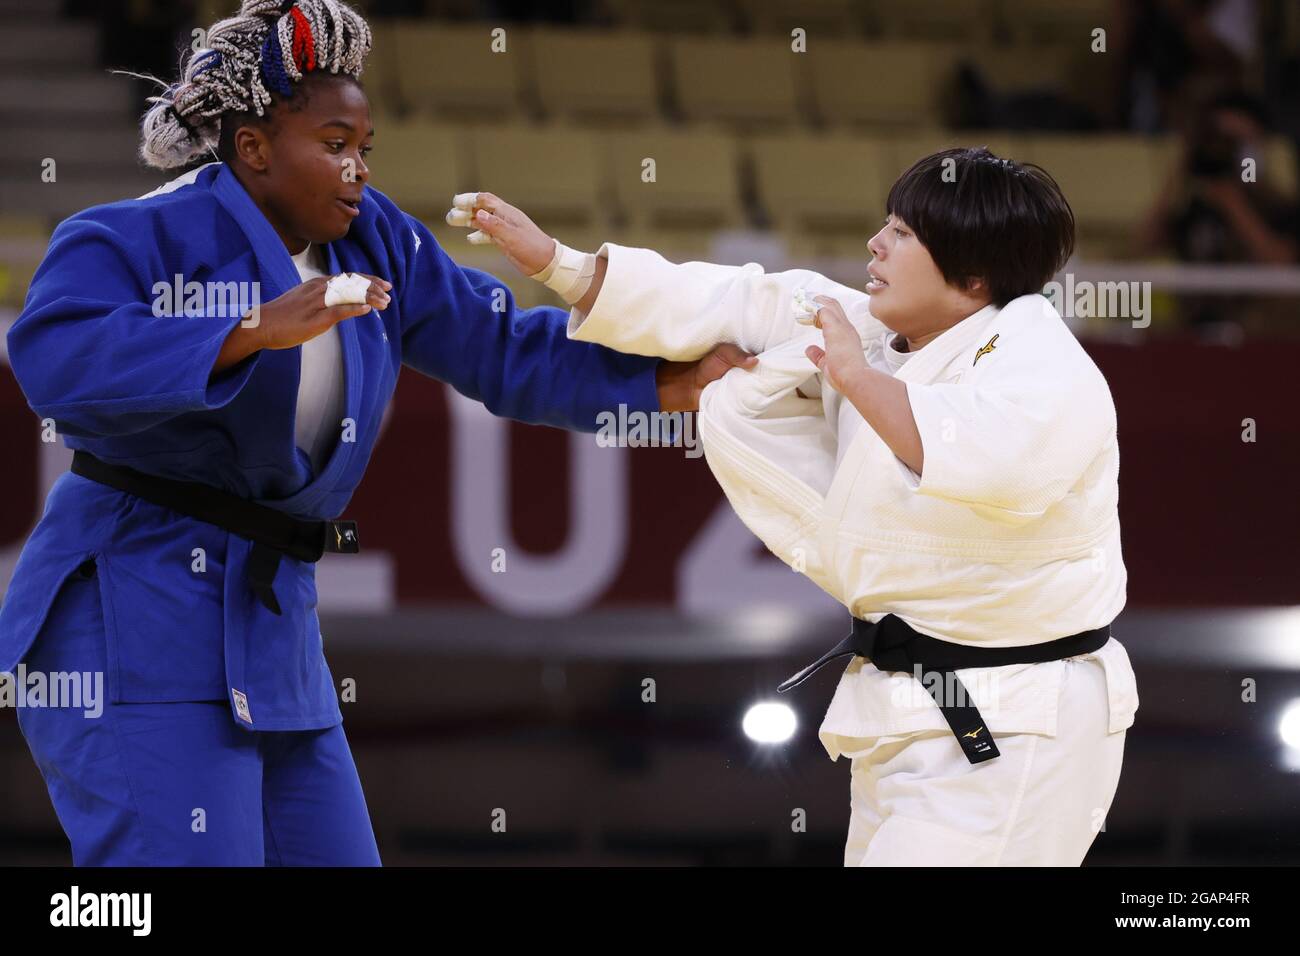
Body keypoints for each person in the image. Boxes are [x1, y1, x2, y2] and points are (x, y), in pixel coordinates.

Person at [0, 0, 749, 866]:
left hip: (272, 619)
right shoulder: (133, 234)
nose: (356, 170)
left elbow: (499, 345)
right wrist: (249, 330)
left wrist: (664, 382)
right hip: (131, 609)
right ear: (252, 149)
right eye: (332, 145)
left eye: (364, 148)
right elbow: (56, 361)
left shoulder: (373, 239)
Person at [451, 147, 1140, 866]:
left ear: (972, 277)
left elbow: (986, 462)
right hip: (915, 708)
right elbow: (737, 299)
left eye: (903, 234)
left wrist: (854, 375)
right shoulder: (880, 335)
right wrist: (559, 264)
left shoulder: (1046, 366)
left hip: (1017, 725)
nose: (876, 244)